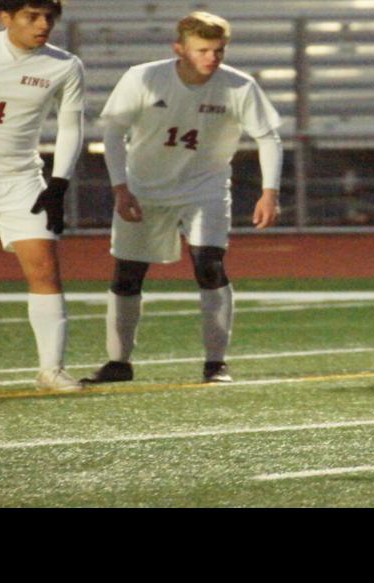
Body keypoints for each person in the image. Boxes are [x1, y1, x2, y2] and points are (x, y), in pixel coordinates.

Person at [82, 12, 282, 386]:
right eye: (202, 49)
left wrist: (269, 192)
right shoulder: (144, 77)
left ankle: (216, 363)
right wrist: (120, 187)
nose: (212, 58)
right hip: (144, 187)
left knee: (209, 264)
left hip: (204, 188)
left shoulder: (238, 86)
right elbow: (113, 133)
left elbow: (268, 137)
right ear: (179, 49)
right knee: (128, 273)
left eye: (218, 50)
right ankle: (118, 362)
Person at [0, 0, 84, 392]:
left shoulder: (64, 65)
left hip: (22, 179)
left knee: (44, 268)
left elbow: (71, 126)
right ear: (4, 17)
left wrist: (59, 184)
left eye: (49, 17)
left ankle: (50, 371)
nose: (43, 25)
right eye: (32, 16)